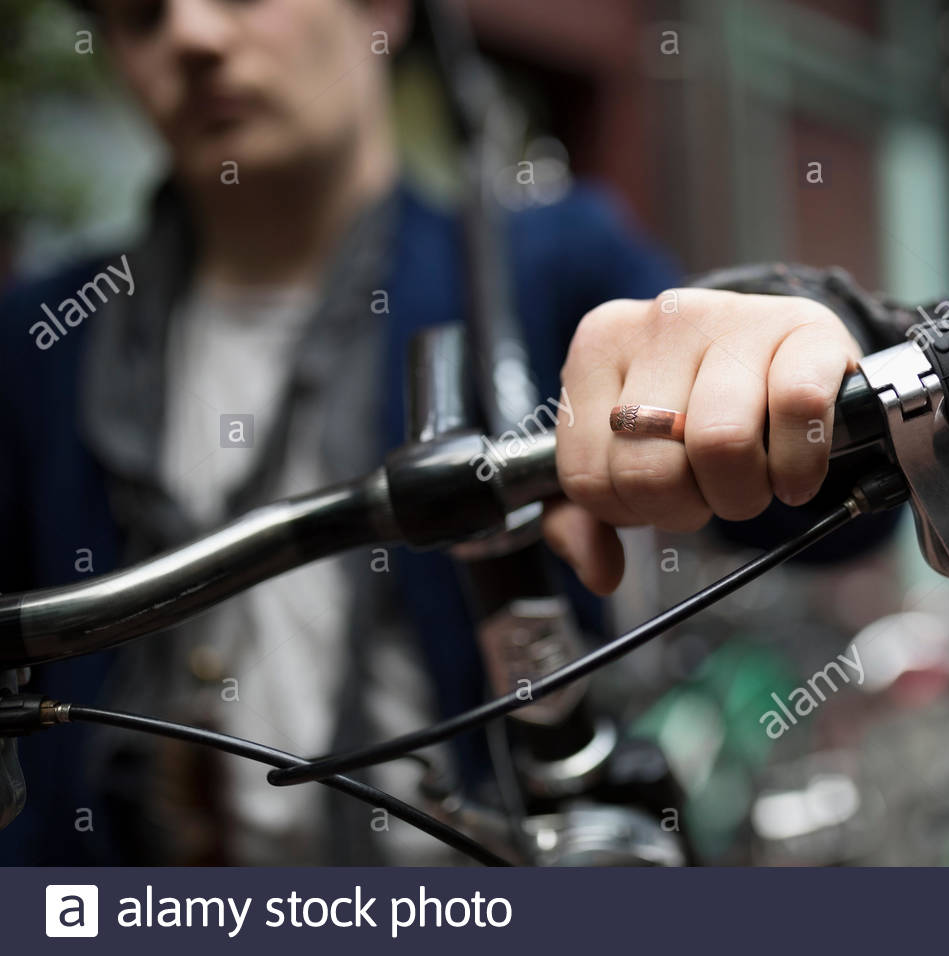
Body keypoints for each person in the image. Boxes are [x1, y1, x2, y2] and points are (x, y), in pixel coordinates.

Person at [0, 0, 895, 864]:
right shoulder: (47, 339)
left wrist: (796, 364)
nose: (190, 31)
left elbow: (836, 506)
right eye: (141, 12)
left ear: (381, 11)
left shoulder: (540, 269)